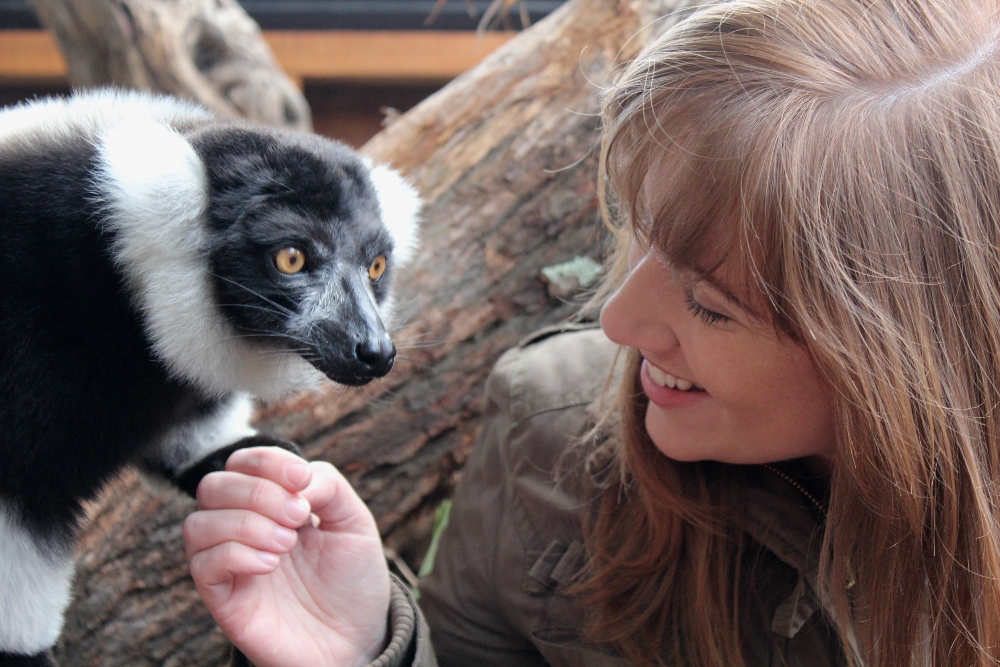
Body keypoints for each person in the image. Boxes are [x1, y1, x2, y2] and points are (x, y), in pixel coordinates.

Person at [181, 0, 1000, 665]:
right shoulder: (551, 435)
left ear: (905, 358)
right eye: (642, 235)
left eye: (711, 305)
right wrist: (365, 650)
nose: (619, 321)